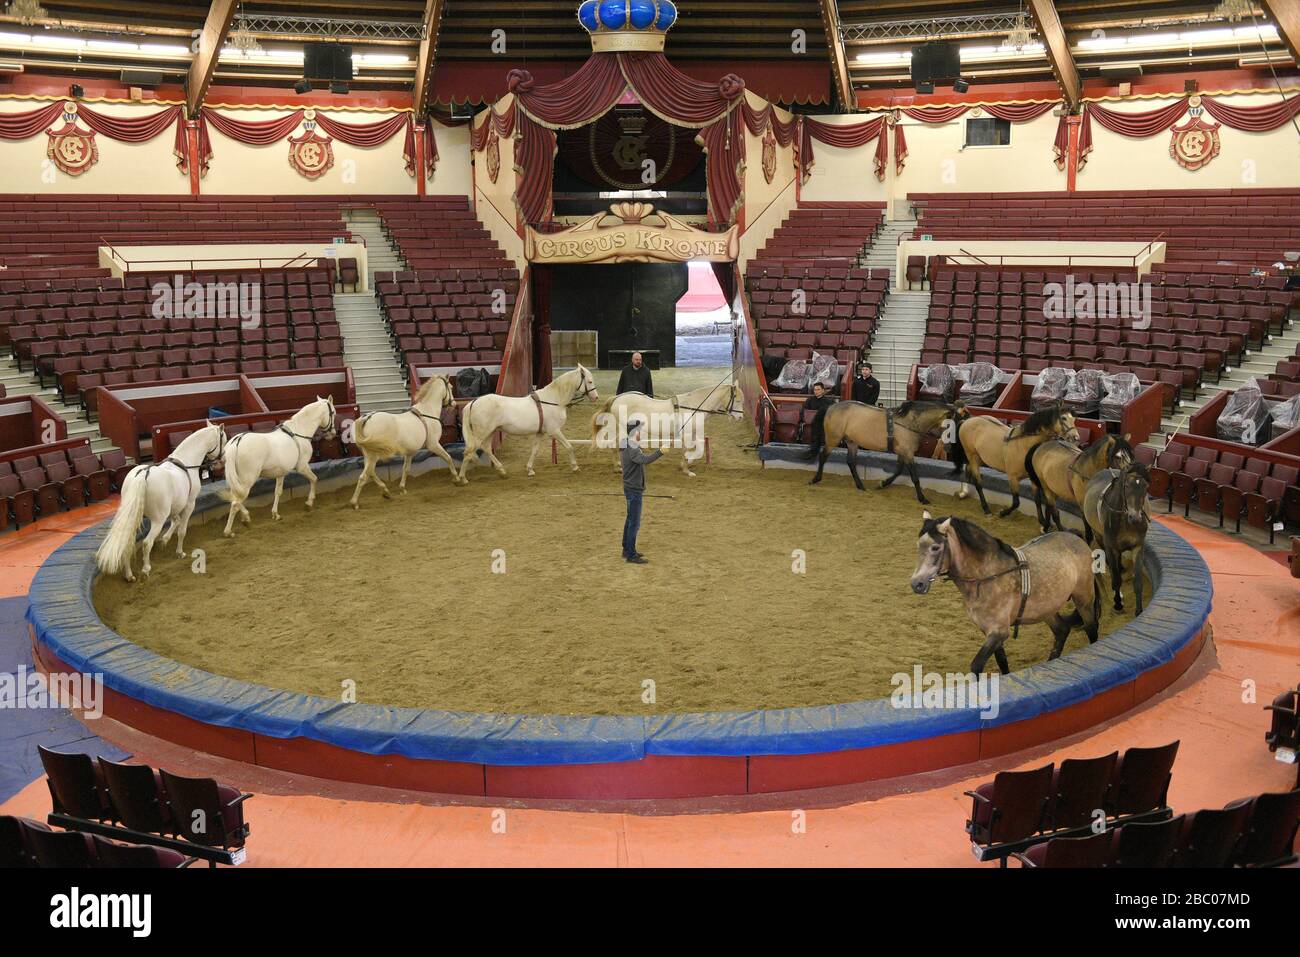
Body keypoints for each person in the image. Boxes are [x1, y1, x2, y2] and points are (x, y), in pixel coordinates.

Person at [620, 417, 663, 564]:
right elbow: (645, 460)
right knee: (634, 522)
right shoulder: (632, 447)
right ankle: (631, 554)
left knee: (630, 520)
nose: (642, 433)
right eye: (640, 430)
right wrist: (661, 452)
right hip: (634, 489)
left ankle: (626, 549)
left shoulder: (627, 443)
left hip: (630, 487)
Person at [802, 381, 837, 446]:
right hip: (811, 424)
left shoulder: (829, 401)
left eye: (818, 389)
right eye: (815, 390)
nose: (816, 391)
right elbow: (804, 412)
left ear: (823, 390)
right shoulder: (809, 400)